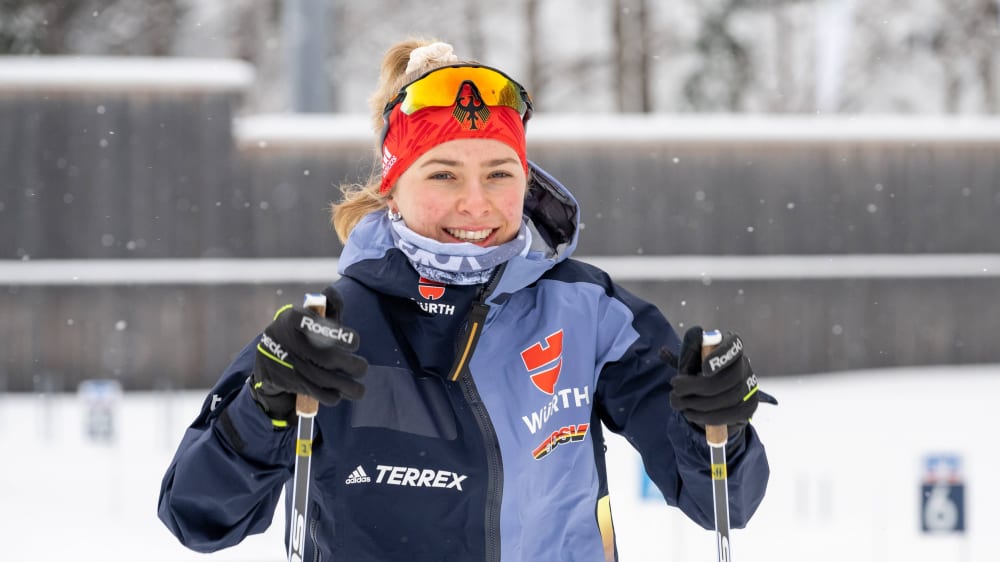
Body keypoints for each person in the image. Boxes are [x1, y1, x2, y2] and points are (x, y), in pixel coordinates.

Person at [158, 38, 775, 562]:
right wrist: (262, 406)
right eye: (443, 174)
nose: (475, 203)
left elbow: (723, 500)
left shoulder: (587, 311)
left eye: (499, 173)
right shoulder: (332, 329)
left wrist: (718, 422)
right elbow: (198, 514)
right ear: (393, 187)